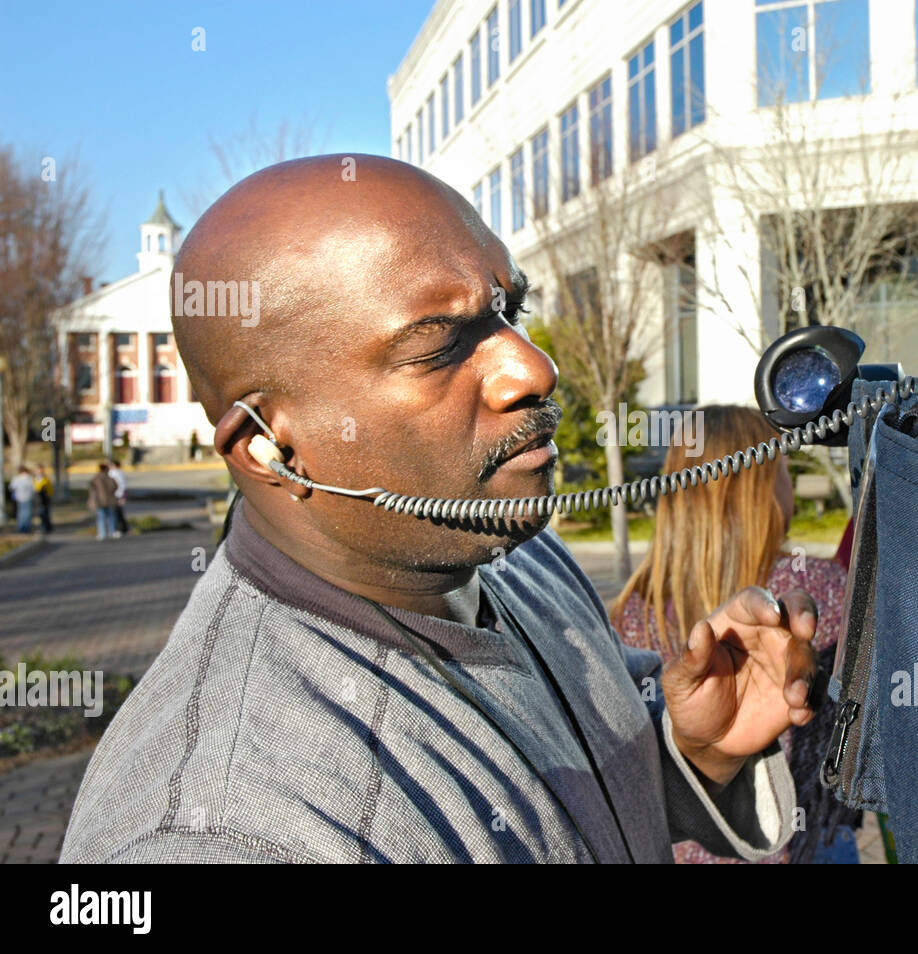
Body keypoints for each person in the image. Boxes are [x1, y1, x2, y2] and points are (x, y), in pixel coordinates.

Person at [60, 155, 821, 864]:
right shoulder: (228, 827)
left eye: (510, 311)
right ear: (268, 448)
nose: (534, 368)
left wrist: (695, 752)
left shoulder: (505, 549)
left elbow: (576, 793)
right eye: (439, 347)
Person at [612, 406, 859, 864]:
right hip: (804, 845)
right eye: (782, 470)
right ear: (761, 490)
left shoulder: (629, 613)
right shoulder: (818, 590)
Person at [87, 463, 119, 541]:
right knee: (111, 516)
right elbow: (115, 487)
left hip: (98, 501)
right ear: (106, 469)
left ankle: (102, 533)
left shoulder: (95, 478)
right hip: (109, 500)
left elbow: (91, 490)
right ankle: (112, 532)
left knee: (101, 517)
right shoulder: (109, 478)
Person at [8, 466, 35, 534]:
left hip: (19, 498)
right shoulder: (29, 478)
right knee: (27, 513)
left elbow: (11, 488)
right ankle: (26, 528)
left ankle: (21, 528)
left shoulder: (16, 478)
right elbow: (33, 488)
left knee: (21, 513)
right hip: (28, 498)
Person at [106, 459, 127, 537]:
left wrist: (123, 497)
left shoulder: (115, 473)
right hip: (118, 495)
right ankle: (123, 529)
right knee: (118, 513)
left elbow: (122, 485)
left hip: (116, 495)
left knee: (115, 513)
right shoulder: (120, 472)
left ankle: (118, 529)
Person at [32, 464, 54, 535]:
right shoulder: (33, 480)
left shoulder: (45, 480)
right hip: (37, 499)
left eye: (39, 470)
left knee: (45, 513)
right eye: (37, 471)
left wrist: (48, 495)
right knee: (40, 514)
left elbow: (50, 490)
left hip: (44, 499)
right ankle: (45, 527)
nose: (38, 472)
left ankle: (46, 527)